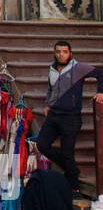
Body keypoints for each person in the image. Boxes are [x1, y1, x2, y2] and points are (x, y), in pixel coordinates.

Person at [36, 39, 103, 193]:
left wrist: (100, 92)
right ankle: (71, 170)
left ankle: (74, 188)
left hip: (71, 117)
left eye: (65, 52)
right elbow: (51, 89)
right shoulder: (51, 69)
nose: (61, 54)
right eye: (58, 51)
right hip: (54, 115)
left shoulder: (78, 68)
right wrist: (48, 104)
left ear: (70, 53)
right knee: (42, 144)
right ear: (54, 53)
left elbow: (100, 73)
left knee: (67, 153)